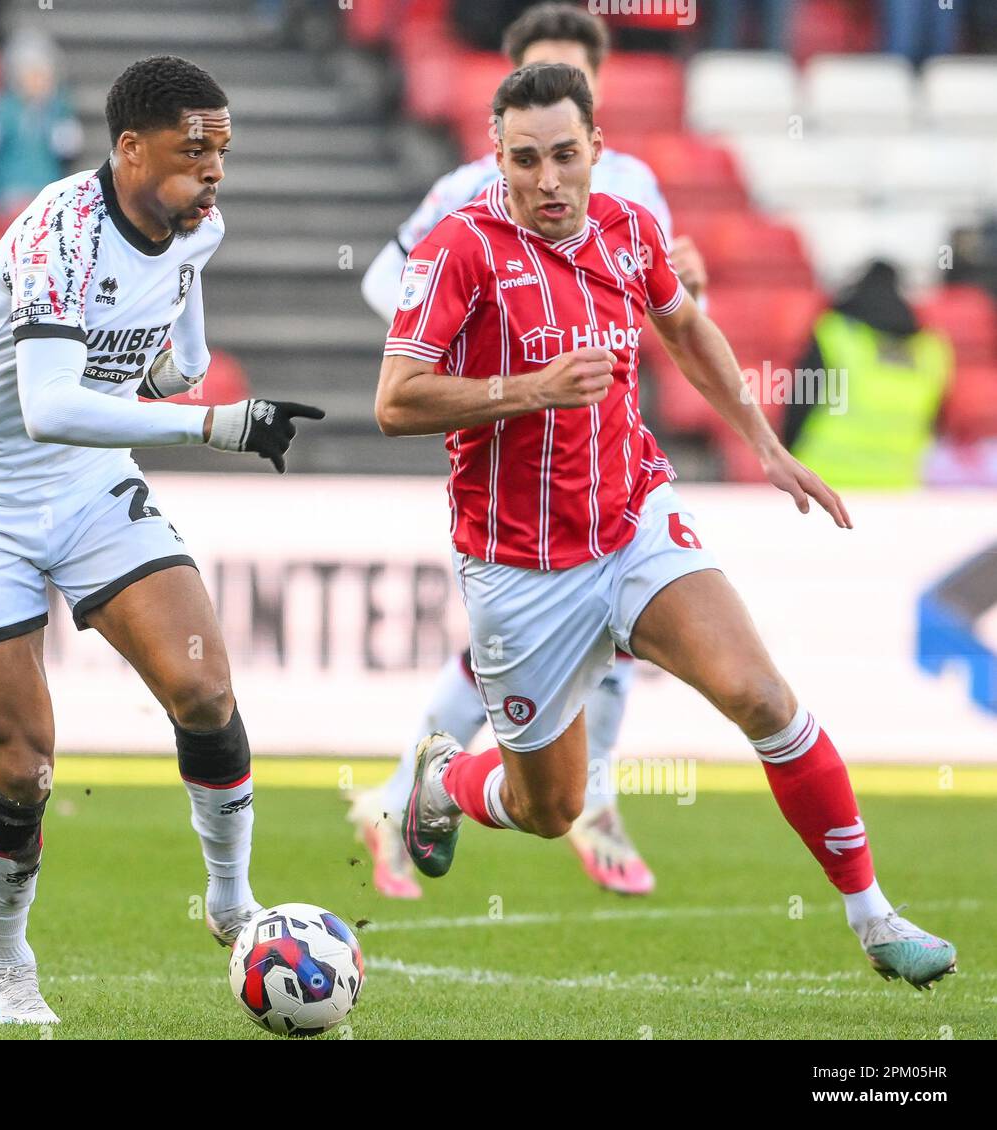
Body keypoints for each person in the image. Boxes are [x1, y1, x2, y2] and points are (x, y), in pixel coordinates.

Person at [376, 62, 956, 990]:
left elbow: (684, 331)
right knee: (550, 808)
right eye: (526, 161)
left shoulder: (627, 229)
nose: (549, 180)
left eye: (566, 155)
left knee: (762, 698)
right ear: (499, 157)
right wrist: (530, 389)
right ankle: (446, 784)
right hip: (520, 569)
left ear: (598, 148)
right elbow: (395, 400)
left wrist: (765, 443)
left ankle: (875, 918)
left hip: (635, 520)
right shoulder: (459, 250)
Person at [0, 55, 323, 1024]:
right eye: (194, 149)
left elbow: (178, 358)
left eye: (222, 148)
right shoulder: (58, 230)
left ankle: (231, 900)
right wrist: (213, 424)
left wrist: (183, 375)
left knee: (205, 686)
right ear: (131, 148)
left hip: (87, 486)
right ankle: (2, 962)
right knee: (22, 764)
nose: (213, 168)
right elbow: (49, 404)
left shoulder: (196, 223)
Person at [356, 1, 709, 900]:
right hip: (511, 462)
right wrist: (470, 335)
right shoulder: (471, 189)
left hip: (607, 445)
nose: (548, 164)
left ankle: (588, 795)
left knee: (621, 637)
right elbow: (388, 281)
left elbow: (667, 290)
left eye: (574, 80)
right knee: (508, 651)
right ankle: (415, 790)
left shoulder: (630, 184)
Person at [785, 260, 952, 489]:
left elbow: (798, 405)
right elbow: (936, 421)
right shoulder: (932, 349)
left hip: (823, 481)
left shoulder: (833, 333)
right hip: (897, 487)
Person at [0, 29, 83, 215]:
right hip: (10, 184)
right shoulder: (4, 107)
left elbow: (68, 146)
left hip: (46, 182)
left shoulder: (58, 108)